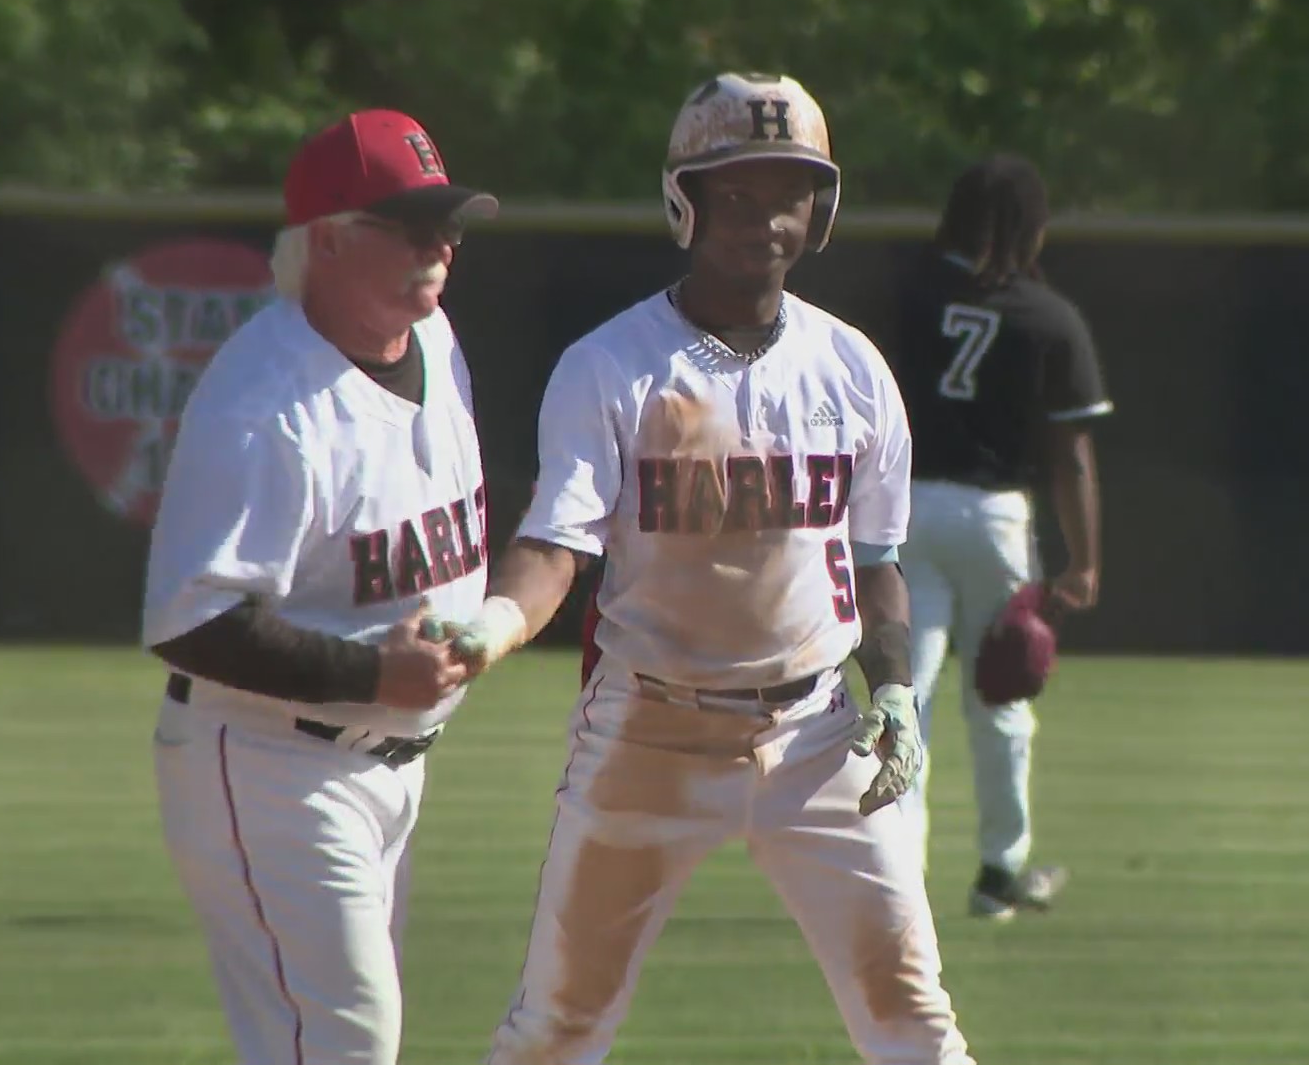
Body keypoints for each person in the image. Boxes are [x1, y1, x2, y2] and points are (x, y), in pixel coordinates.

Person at [447, 71, 976, 1065]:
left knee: (916, 1020)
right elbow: (558, 544)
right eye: (736, 192)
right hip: (651, 728)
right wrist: (494, 624)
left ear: (821, 212)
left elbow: (876, 560)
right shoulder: (612, 366)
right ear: (683, 201)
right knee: (558, 1026)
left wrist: (898, 691)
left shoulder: (854, 368)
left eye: (790, 194)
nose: (765, 219)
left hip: (817, 731)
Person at [140, 108, 499, 1065]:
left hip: (389, 766)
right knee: (343, 1045)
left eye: (449, 225)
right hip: (273, 764)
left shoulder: (433, 339)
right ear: (329, 240)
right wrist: (374, 675)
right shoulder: (266, 404)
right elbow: (191, 620)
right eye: (413, 227)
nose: (441, 247)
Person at [880, 153, 1112, 918]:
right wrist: (1084, 561)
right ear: (1031, 228)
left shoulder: (905, 295)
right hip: (995, 519)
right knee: (1003, 693)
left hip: (902, 512)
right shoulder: (1048, 316)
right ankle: (999, 873)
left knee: (902, 697)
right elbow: (1071, 454)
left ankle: (894, 879)